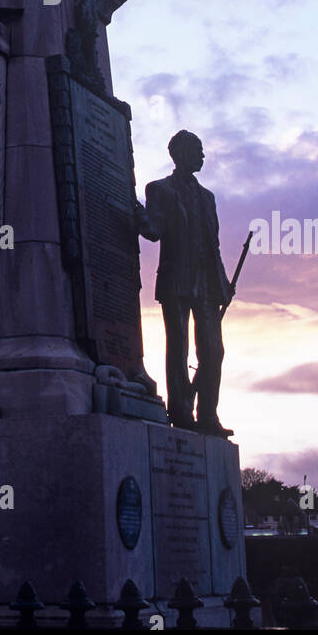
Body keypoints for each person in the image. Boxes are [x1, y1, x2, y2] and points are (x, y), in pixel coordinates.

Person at [138, 130, 233, 436]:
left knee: (213, 351)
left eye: (202, 152)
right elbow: (153, 231)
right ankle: (181, 412)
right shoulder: (160, 190)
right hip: (175, 279)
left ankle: (208, 416)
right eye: (198, 151)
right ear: (179, 154)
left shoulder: (208, 197)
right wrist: (135, 212)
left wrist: (223, 281)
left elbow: (213, 244)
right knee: (178, 349)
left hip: (206, 283)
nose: (203, 157)